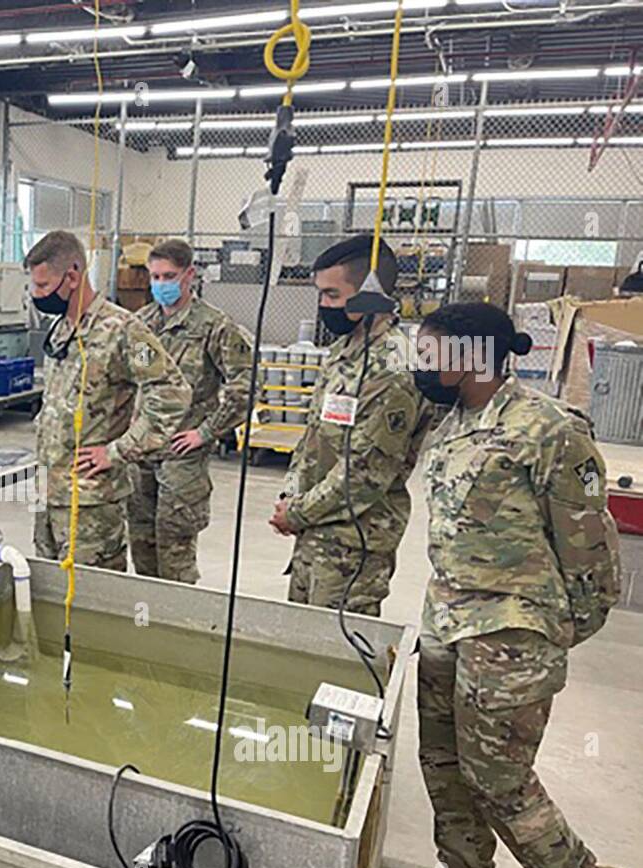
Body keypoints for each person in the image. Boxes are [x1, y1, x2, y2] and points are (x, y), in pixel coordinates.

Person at [391, 302, 628, 868]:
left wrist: (555, 633)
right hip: (447, 622)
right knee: (441, 762)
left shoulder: (548, 428)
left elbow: (590, 552)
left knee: (500, 779)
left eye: (430, 352)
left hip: (515, 635)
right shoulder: (454, 420)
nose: (421, 365)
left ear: (471, 355)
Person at [269, 234, 432, 616]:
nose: (324, 306)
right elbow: (314, 437)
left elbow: (365, 474)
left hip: (353, 543)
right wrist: (290, 495)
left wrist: (297, 513)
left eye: (332, 295)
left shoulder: (392, 368)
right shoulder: (345, 350)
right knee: (304, 645)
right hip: (317, 530)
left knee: (339, 657)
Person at [26, 230, 190, 571]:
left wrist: (118, 451)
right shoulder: (61, 331)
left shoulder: (123, 330)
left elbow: (172, 392)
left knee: (89, 603)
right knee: (49, 596)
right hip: (50, 495)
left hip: (92, 505)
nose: (36, 295)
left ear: (72, 276)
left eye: (42, 286)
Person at [128, 238, 253, 583]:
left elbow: (245, 387)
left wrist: (206, 432)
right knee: (141, 543)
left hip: (182, 455)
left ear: (189, 275)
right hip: (141, 450)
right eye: (154, 276)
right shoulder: (142, 324)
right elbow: (138, 378)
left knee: (174, 548)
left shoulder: (215, 326)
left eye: (169, 276)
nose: (160, 284)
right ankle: (146, 620)